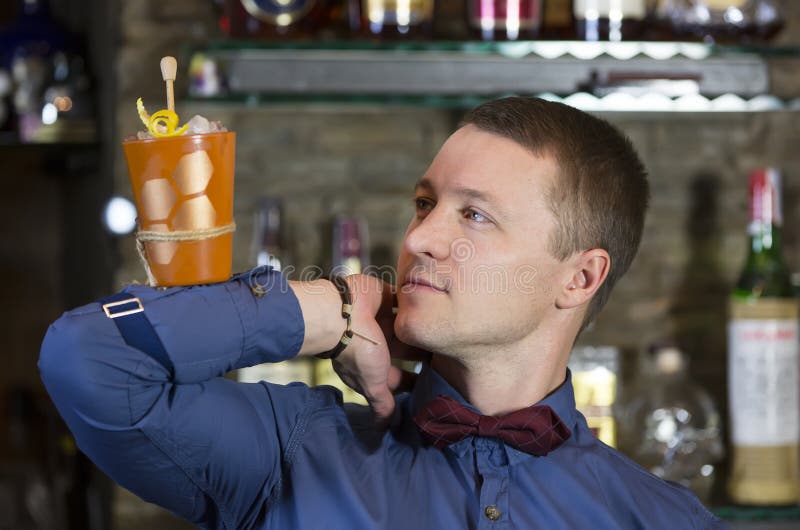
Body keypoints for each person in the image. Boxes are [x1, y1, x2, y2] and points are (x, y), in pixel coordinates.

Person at [39, 97, 726, 529]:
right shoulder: (289, 453)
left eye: (475, 215)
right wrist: (332, 306)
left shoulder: (666, 521)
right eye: (425, 204)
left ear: (579, 278)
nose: (420, 237)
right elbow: (85, 358)